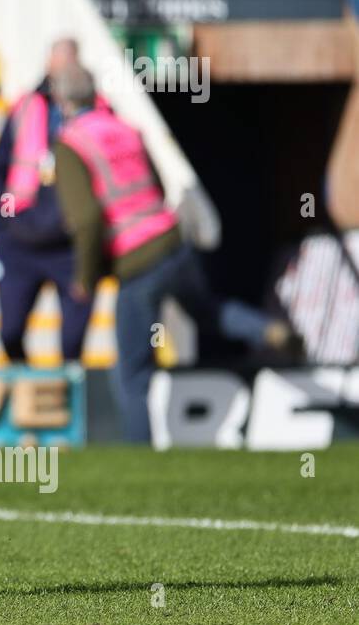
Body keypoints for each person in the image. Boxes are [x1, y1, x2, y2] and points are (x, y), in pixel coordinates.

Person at [49, 65, 295, 442]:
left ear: (61, 100)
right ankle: (266, 329)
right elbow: (157, 182)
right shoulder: (124, 128)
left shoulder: (70, 144)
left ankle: (142, 455)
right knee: (207, 310)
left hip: (136, 259)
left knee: (132, 371)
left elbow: (85, 220)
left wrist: (85, 278)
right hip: (173, 241)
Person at [0, 39, 94, 364]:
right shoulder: (25, 108)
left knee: (73, 345)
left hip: (71, 244)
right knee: (10, 332)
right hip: (22, 238)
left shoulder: (99, 115)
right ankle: (28, 398)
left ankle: (70, 407)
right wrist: (1, 228)